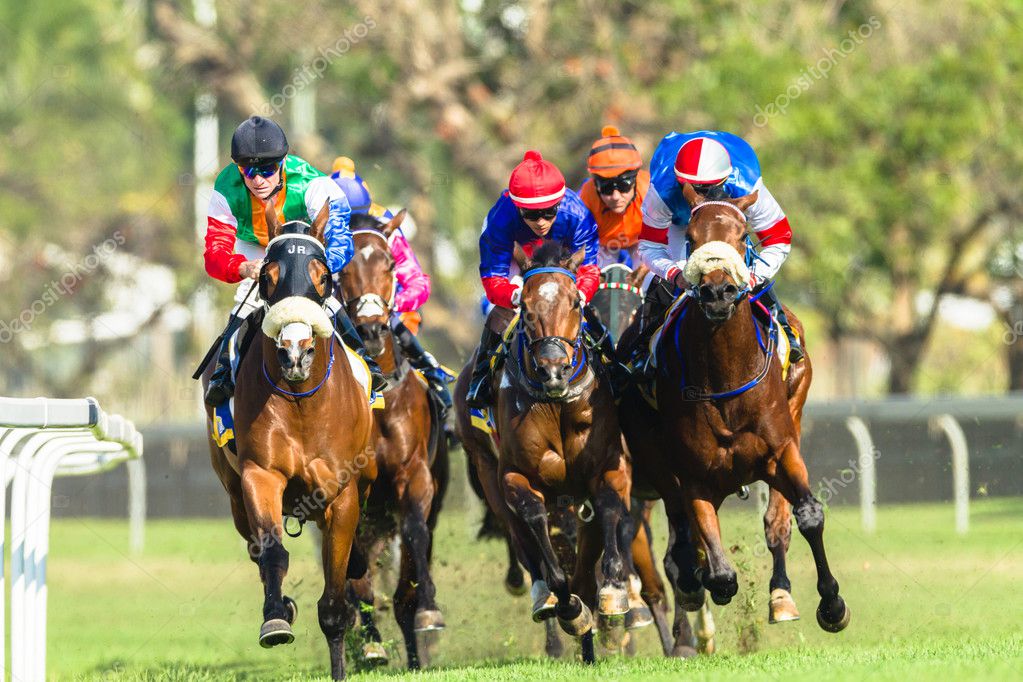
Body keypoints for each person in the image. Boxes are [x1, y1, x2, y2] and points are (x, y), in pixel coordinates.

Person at [202, 116, 385, 406]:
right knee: (244, 302)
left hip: (304, 243)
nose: (258, 179)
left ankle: (367, 365)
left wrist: (309, 271)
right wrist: (241, 267)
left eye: (267, 169)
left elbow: (340, 244)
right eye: (248, 171)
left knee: (330, 302)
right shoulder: (226, 187)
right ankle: (223, 372)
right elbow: (215, 252)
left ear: (283, 163)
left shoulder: (313, 184)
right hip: (255, 247)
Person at [465, 150, 617, 408]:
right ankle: (480, 378)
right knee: (500, 313)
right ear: (518, 208)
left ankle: (615, 368)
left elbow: (590, 268)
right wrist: (515, 296)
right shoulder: (501, 219)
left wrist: (580, 294)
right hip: (516, 259)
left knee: (580, 309)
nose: (542, 222)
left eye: (549, 213)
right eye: (532, 215)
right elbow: (493, 278)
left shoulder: (576, 213)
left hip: (560, 260)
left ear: (560, 203)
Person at [635, 130, 803, 364]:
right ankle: (640, 351)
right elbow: (649, 245)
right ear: (680, 182)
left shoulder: (746, 185)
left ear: (726, 179)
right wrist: (673, 275)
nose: (703, 196)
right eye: (695, 189)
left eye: (709, 188)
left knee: (746, 267)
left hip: (728, 219)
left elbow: (780, 238)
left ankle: (784, 328)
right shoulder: (662, 192)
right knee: (674, 276)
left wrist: (753, 277)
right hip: (681, 222)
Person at [330, 156, 454, 416]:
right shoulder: (321, 229)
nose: (354, 228)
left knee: (397, 325)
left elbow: (418, 282)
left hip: (386, 310)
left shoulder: (386, 231)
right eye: (346, 222)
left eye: (357, 219)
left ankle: (433, 378)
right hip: (337, 310)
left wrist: (390, 304)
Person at [578, 126, 650, 268]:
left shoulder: (650, 190)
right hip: (605, 245)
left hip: (643, 241)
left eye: (623, 186)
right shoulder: (586, 197)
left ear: (635, 179)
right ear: (596, 185)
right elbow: (583, 246)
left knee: (652, 276)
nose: (616, 197)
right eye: (607, 188)